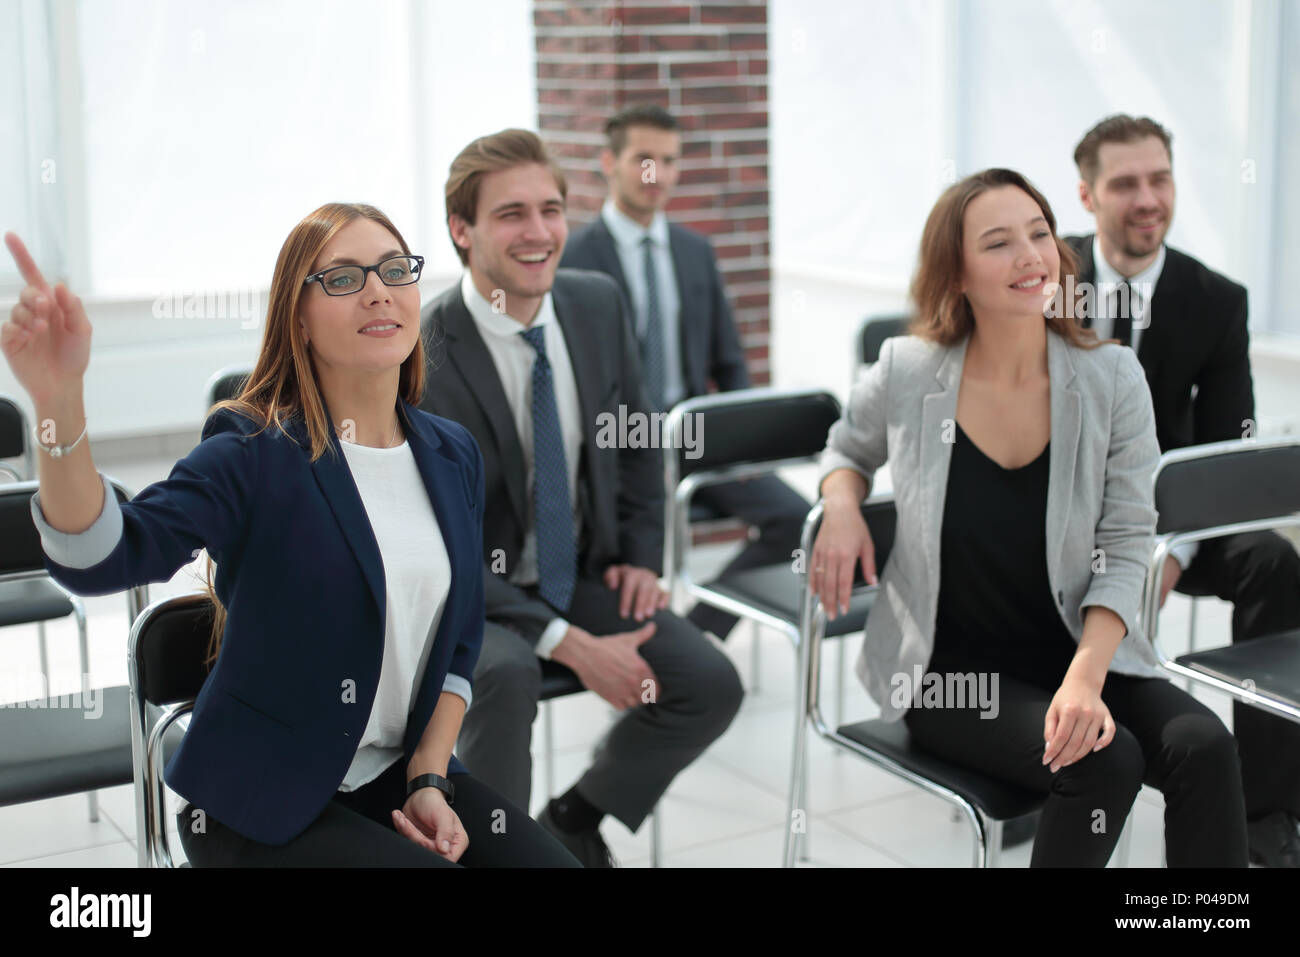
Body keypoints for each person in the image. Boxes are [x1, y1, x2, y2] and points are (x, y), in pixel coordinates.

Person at [1, 206, 579, 867]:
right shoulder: (250, 452)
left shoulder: (452, 453)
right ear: (296, 317)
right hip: (258, 799)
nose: (377, 290)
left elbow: (462, 639)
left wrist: (428, 777)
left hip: (397, 775)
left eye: (395, 269)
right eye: (342, 278)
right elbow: (101, 557)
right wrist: (57, 403)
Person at [810, 169, 1248, 867]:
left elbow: (1129, 540)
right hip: (950, 673)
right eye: (998, 242)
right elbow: (845, 448)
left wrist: (1085, 674)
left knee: (1205, 745)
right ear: (955, 272)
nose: (1031, 256)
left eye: (1040, 233)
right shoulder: (908, 369)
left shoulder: (1112, 378)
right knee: (1103, 762)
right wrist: (839, 501)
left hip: (1077, 648)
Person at [419, 129, 744, 867]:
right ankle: (496, 856)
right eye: (511, 214)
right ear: (461, 230)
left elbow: (636, 440)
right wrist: (566, 643)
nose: (539, 233)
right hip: (478, 594)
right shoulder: (427, 354)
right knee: (505, 675)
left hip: (585, 570)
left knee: (708, 682)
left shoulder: (596, 303)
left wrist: (638, 555)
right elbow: (447, 548)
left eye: (552, 209)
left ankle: (572, 815)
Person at [1066, 114, 1300, 867]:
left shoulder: (1215, 299)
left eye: (1159, 178)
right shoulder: (1047, 279)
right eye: (1125, 183)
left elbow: (1224, 448)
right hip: (1067, 517)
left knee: (1273, 559)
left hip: (1176, 522)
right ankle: (1042, 751)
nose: (1147, 198)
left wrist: (1164, 557)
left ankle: (1265, 813)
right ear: (1086, 194)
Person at [559, 104, 809, 641]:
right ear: (608, 162)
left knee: (798, 521)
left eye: (670, 161)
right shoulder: (574, 256)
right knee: (618, 549)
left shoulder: (695, 251)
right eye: (644, 160)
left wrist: (748, 442)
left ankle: (698, 638)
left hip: (694, 437)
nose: (659, 176)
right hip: (617, 443)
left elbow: (729, 361)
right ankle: (636, 653)